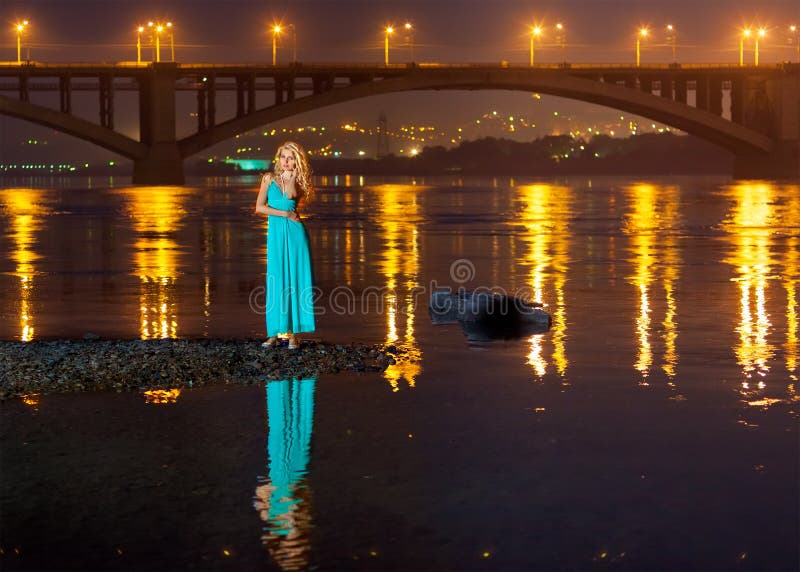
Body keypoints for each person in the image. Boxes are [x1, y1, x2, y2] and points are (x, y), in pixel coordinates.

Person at [255, 141, 316, 349]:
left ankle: (294, 335)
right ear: (278, 158)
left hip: (295, 235)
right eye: (283, 157)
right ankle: (273, 333)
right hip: (276, 235)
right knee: (276, 280)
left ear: (296, 161)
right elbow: (259, 207)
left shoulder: (298, 182)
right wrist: (284, 213)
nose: (286, 161)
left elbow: (289, 195)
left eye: (291, 158)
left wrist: (293, 174)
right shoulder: (268, 178)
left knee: (296, 281)